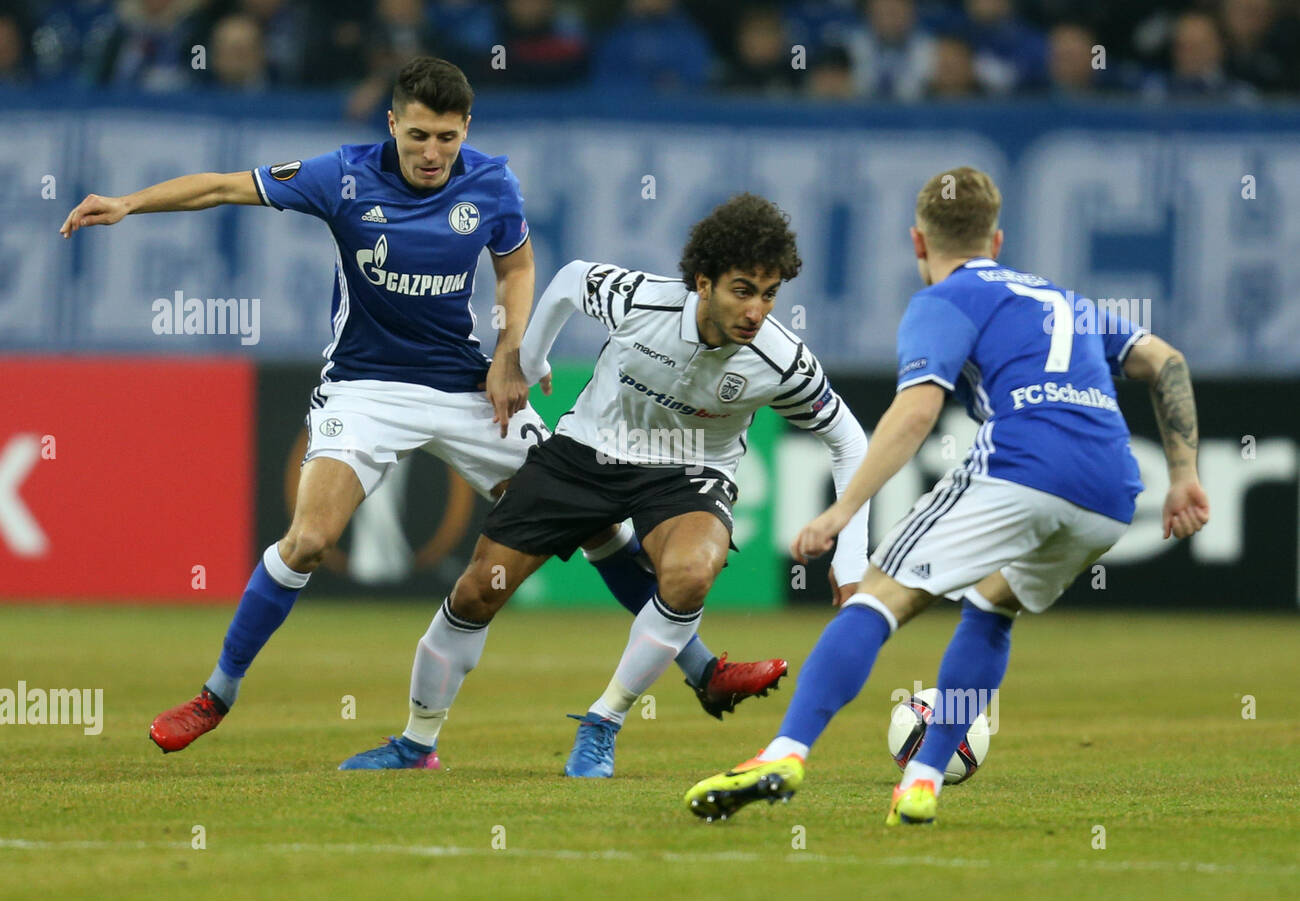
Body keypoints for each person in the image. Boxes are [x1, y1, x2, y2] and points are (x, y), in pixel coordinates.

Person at [59, 56, 785, 768]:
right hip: (365, 389)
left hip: (463, 388)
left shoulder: (493, 183)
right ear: (392, 126)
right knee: (310, 540)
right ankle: (216, 695)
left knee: (592, 514)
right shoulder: (340, 176)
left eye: (447, 137)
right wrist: (128, 203)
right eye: (418, 137)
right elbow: (222, 186)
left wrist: (510, 354)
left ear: (465, 128)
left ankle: (701, 670)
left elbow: (519, 267)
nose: (433, 153)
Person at [686, 166, 1211, 824]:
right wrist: (1185, 474)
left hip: (1024, 465)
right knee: (992, 608)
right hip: (1111, 493)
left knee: (880, 598)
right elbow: (1167, 362)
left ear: (916, 243)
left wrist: (843, 510)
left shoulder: (943, 300)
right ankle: (924, 778)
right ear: (996, 241)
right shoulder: (1062, 299)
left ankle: (785, 751)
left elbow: (916, 411)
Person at [347, 193, 870, 777]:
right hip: (584, 454)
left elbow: (851, 442)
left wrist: (851, 564)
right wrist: (527, 360)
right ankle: (417, 746)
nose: (756, 311)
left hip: (687, 474)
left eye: (769, 294)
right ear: (703, 283)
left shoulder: (781, 362)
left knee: (692, 572)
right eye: (742, 290)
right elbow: (570, 280)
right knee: (477, 591)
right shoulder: (641, 299)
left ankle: (604, 722)